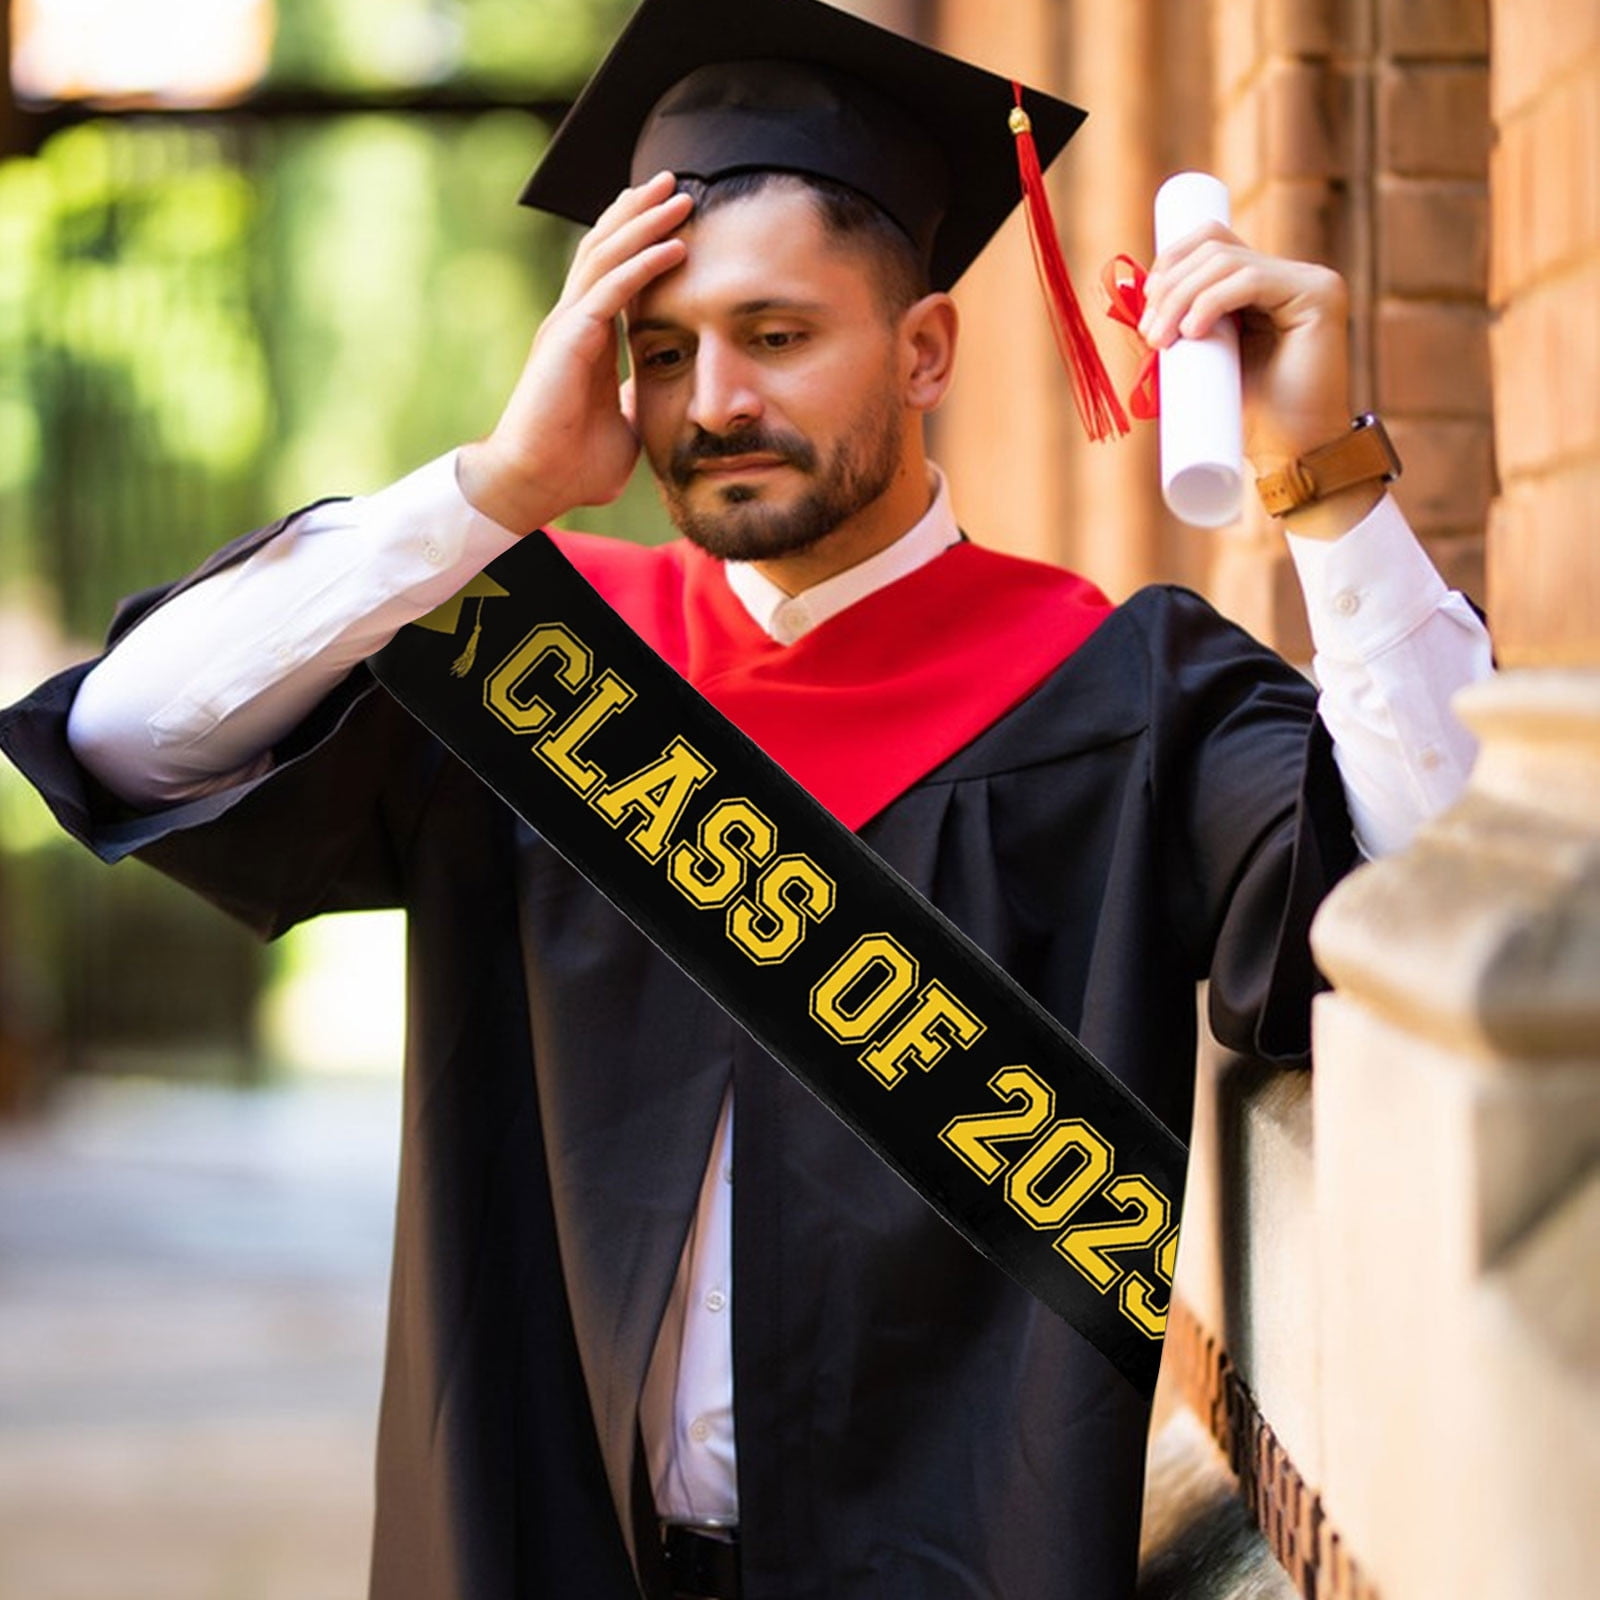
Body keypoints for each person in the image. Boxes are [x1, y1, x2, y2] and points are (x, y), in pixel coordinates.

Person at [0, 0, 1492, 1595]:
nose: (710, 399)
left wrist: (1324, 474)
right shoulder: (540, 667)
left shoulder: (1117, 698)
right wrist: (493, 490)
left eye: (777, 337)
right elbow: (134, 739)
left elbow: (1435, 886)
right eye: (661, 350)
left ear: (923, 351)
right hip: (545, 1544)